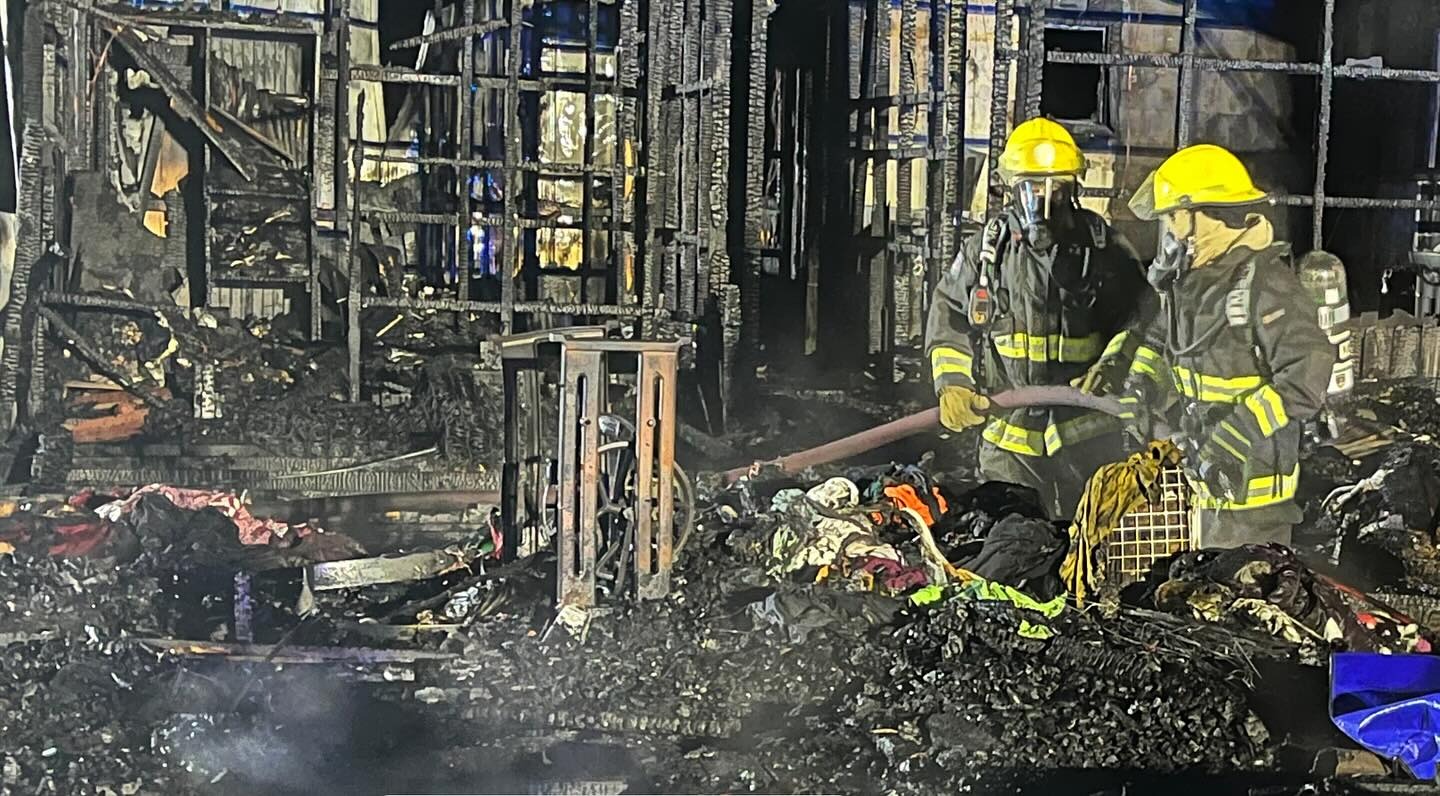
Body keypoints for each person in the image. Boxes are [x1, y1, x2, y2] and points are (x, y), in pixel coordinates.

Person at [925, 118, 1147, 518]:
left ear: (1073, 188)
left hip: (1088, 434)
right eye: (1030, 187)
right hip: (1008, 437)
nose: (1041, 202)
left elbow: (1144, 319)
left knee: (1090, 540)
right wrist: (953, 384)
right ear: (1012, 187)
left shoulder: (1103, 249)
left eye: (1055, 188)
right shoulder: (987, 251)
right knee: (1015, 539)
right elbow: (950, 314)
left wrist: (1114, 363)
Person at [1118, 144, 1336, 546]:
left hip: (1255, 500)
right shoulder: (1192, 286)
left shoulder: (1266, 285)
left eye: (1174, 218)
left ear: (1208, 216)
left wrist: (1235, 435)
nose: (1170, 233)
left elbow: (1308, 374)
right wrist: (1139, 388)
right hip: (1205, 488)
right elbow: (1166, 343)